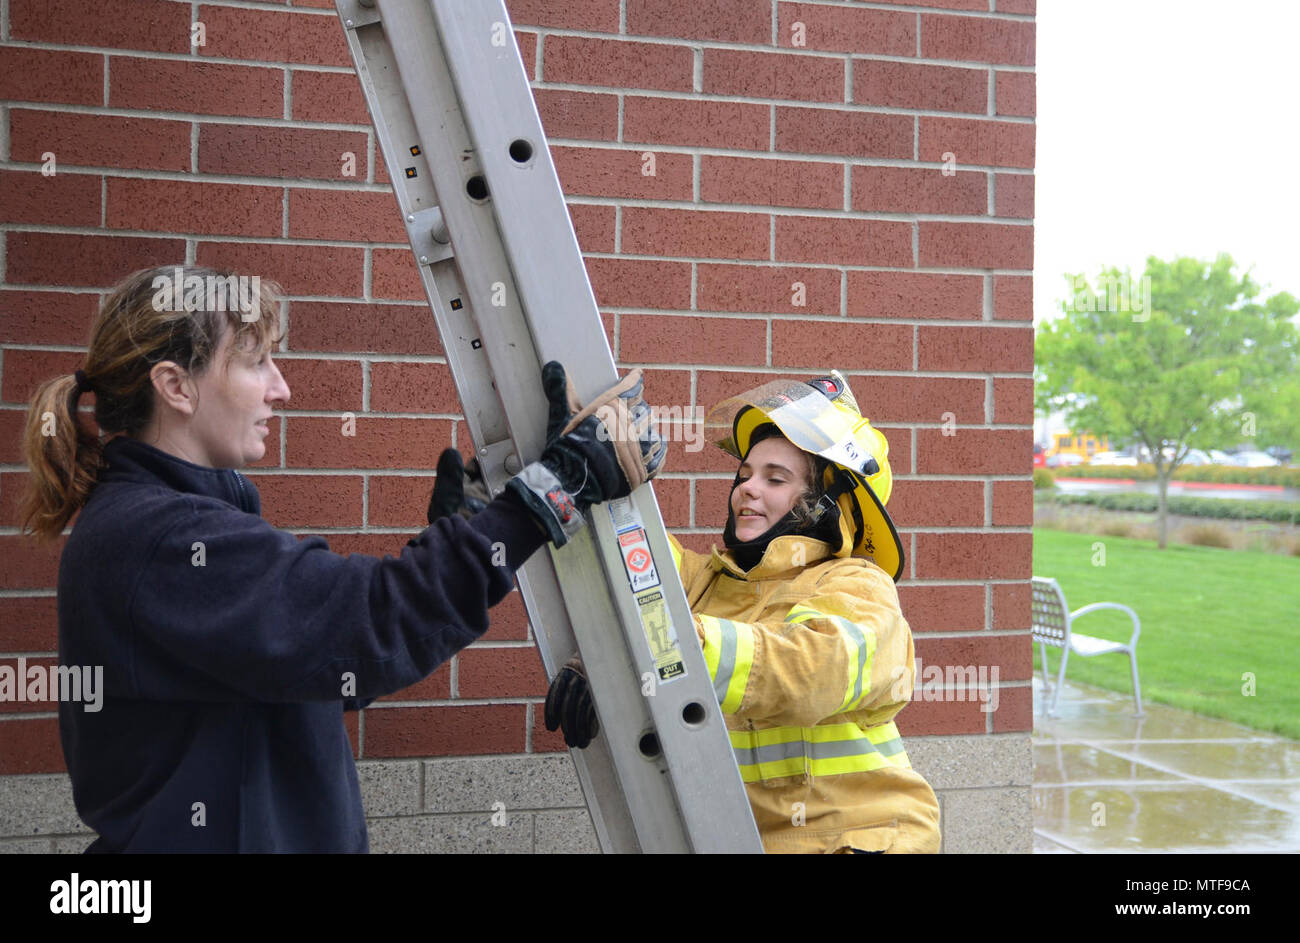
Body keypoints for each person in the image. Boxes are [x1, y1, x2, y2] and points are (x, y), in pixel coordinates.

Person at [18, 263, 663, 853]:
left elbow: (323, 662)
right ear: (175, 386)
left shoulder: (173, 525)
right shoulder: (161, 539)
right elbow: (365, 623)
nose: (282, 388)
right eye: (255, 362)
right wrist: (548, 495)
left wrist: (462, 535)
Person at [544, 371, 942, 853]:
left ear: (827, 505)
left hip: (862, 838)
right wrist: (579, 480)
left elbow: (814, 667)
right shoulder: (704, 581)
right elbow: (628, 567)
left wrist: (672, 643)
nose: (747, 489)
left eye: (775, 479)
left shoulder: (858, 587)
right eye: (744, 475)